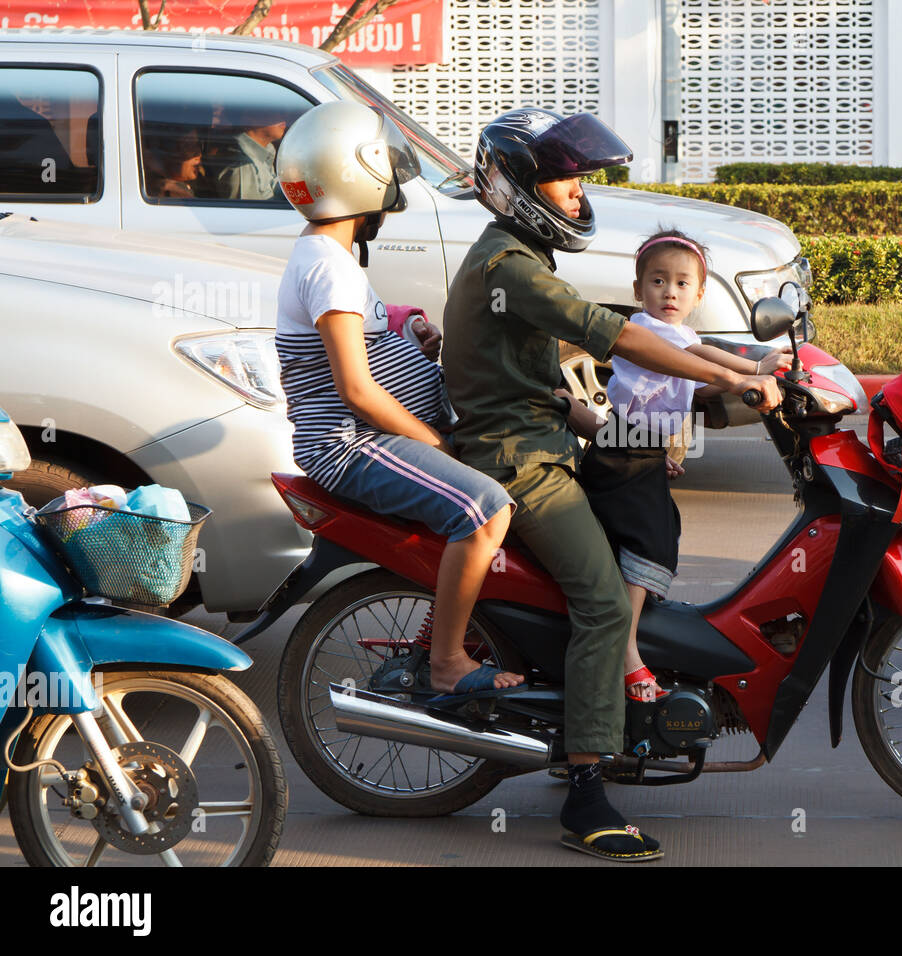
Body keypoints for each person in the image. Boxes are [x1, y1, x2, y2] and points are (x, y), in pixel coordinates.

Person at [441, 108, 780, 862]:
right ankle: (588, 790)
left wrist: (741, 365)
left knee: (637, 522)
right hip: (519, 459)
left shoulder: (516, 254)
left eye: (580, 179)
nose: (576, 193)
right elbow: (623, 335)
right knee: (601, 601)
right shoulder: (511, 266)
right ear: (521, 187)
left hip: (545, 436)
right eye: (563, 179)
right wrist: (742, 373)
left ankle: (597, 714)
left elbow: (609, 347)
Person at [274, 101, 521, 696]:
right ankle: (446, 663)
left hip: (373, 436)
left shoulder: (326, 258)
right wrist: (435, 439)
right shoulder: (328, 269)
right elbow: (355, 389)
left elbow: (365, 343)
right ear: (357, 180)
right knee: (485, 508)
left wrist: (411, 339)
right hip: (353, 444)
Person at [564, 228, 792, 702]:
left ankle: (636, 622)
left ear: (699, 294)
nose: (670, 291)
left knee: (656, 531)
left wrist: (733, 391)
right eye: (658, 281)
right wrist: (753, 368)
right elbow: (696, 358)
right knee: (649, 539)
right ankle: (625, 649)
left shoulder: (680, 334)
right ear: (638, 291)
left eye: (682, 283)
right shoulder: (653, 332)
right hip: (624, 454)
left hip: (636, 449)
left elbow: (690, 387)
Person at [217, 106, 290, 200]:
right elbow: (249, 213)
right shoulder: (243, 165)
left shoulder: (264, 153)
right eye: (274, 110)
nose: (283, 116)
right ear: (249, 116)